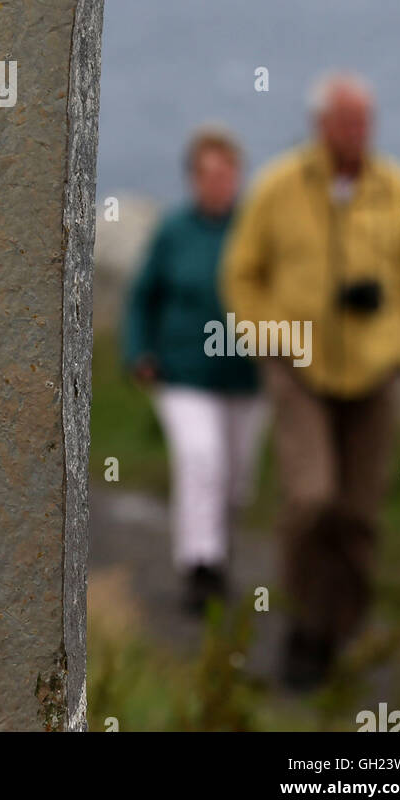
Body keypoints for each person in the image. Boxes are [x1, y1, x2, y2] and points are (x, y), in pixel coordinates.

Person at [221, 72, 400, 689]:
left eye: (365, 121)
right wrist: (273, 338)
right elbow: (242, 274)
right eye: (347, 121)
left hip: (374, 373)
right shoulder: (279, 188)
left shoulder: (398, 190)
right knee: (312, 499)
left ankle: (339, 632)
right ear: (322, 124)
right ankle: (301, 623)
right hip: (300, 371)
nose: (358, 132)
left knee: (359, 513)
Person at [122, 125, 264, 614]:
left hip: (247, 377)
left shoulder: (256, 231)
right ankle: (197, 566)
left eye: (228, 174)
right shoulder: (174, 232)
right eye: (210, 174)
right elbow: (143, 296)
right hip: (183, 373)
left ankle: (218, 554)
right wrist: (139, 351)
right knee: (201, 459)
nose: (220, 183)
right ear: (193, 179)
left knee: (236, 477)